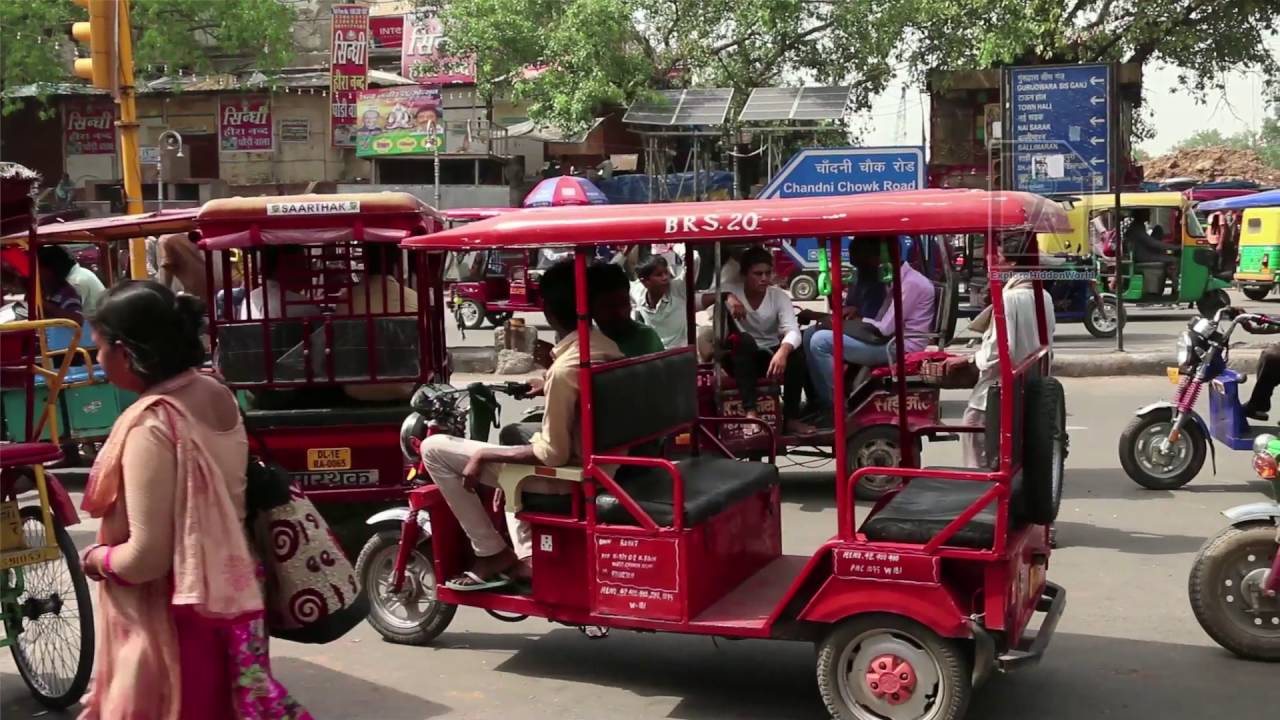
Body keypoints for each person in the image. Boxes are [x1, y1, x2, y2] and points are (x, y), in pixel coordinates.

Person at [78, 281, 310, 720]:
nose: (99, 360)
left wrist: (96, 559)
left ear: (126, 352)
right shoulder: (217, 392)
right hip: (236, 592)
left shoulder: (153, 424)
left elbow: (147, 558)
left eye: (100, 348)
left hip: (183, 614)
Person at [419, 260, 622, 590]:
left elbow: (552, 454)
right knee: (512, 436)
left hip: (573, 477)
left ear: (548, 312)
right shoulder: (605, 347)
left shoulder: (568, 369)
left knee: (434, 449)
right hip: (606, 464)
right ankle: (526, 555)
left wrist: (484, 456)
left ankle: (490, 551)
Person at [806, 236, 935, 417]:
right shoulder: (895, 278)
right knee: (811, 333)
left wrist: (847, 323)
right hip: (886, 338)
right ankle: (820, 400)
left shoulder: (911, 283)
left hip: (899, 346)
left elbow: (885, 328)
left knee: (820, 341)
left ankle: (835, 406)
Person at [961, 248, 1056, 468]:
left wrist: (970, 360)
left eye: (996, 256)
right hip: (1029, 381)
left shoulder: (1009, 298)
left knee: (972, 424)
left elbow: (996, 353)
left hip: (1000, 386)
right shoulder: (1044, 295)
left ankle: (978, 481)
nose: (989, 260)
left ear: (1011, 264)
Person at [713, 245, 811, 433]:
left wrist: (783, 351)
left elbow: (792, 330)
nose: (764, 278)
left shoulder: (778, 296)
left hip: (769, 356)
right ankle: (751, 412)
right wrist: (727, 296)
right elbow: (697, 300)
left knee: (796, 353)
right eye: (757, 274)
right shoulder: (731, 290)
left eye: (767, 273)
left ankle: (791, 417)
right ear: (744, 274)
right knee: (744, 340)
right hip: (739, 357)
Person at [338, 243, 419, 402]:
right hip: (404, 386)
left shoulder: (346, 299)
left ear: (364, 264)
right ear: (397, 265)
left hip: (353, 387)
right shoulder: (411, 297)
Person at [589, 261, 663, 357]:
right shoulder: (584, 342)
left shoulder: (646, 338)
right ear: (591, 307)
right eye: (609, 306)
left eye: (624, 303)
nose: (619, 313)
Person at [240, 245, 323, 319]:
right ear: (285, 266)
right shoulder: (302, 305)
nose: (306, 270)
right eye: (301, 264)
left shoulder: (248, 300)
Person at [631, 254, 692, 349]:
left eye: (666, 272)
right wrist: (624, 254)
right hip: (655, 354)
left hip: (679, 354)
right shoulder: (638, 292)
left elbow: (695, 258)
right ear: (645, 282)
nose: (665, 277)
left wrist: (675, 246)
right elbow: (613, 273)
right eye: (659, 275)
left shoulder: (678, 288)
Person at [38, 244, 105, 317]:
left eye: (39, 268)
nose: (38, 274)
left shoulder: (75, 283)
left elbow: (74, 317)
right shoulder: (80, 273)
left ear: (50, 269)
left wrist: (42, 303)